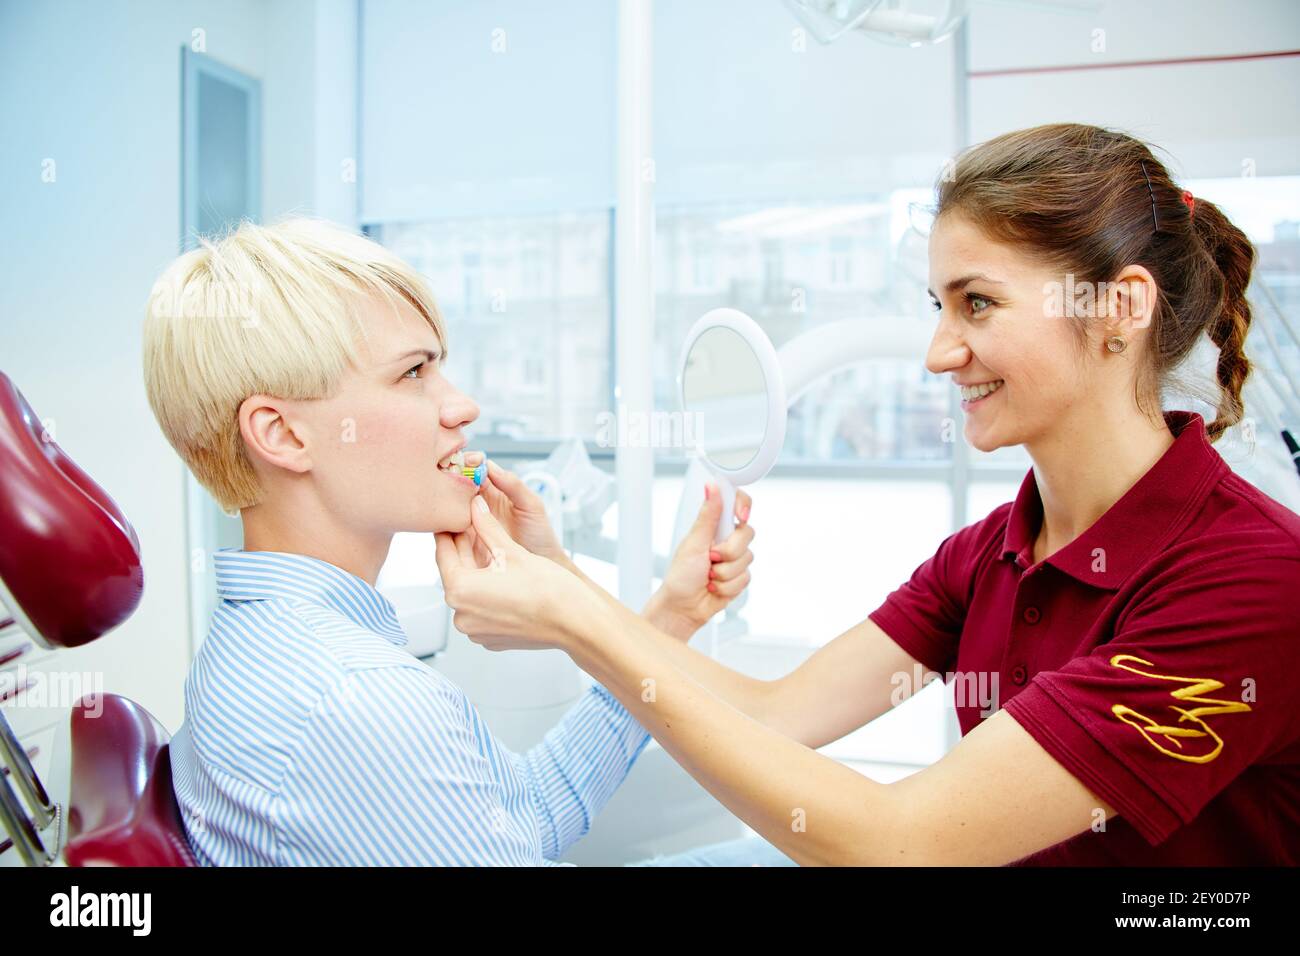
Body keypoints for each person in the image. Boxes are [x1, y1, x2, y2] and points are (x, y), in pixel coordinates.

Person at [435, 123, 1300, 866]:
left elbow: (902, 841)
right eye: (938, 306)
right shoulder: (992, 550)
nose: (938, 352)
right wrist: (562, 580)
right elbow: (777, 716)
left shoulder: (1252, 579)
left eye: (978, 304)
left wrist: (570, 620)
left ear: (1120, 306)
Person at [142, 217, 755, 865]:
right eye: (413, 373)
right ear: (285, 435)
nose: (462, 406)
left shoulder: (258, 644)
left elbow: (524, 816)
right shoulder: (357, 695)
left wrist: (670, 617)